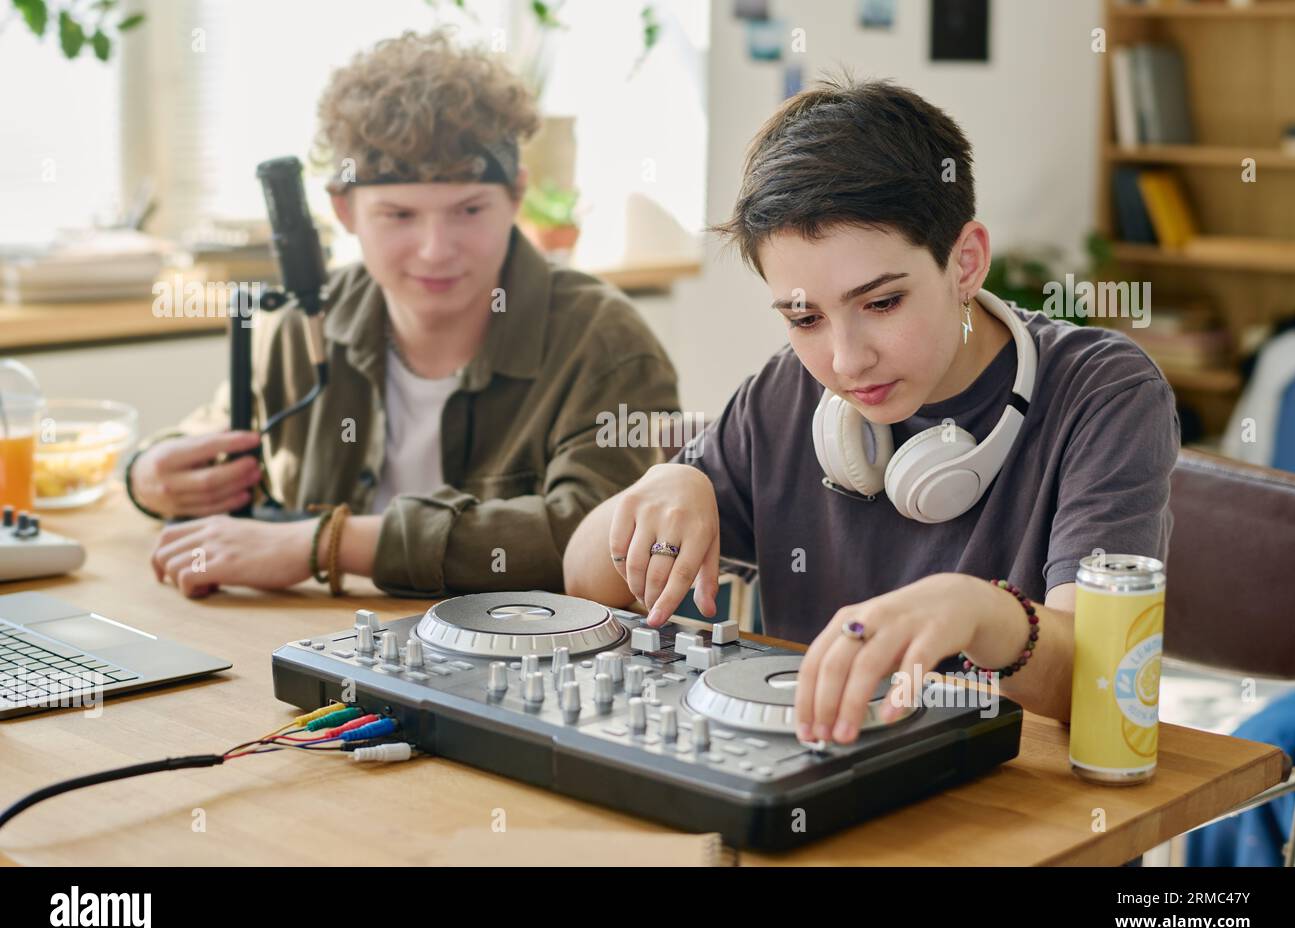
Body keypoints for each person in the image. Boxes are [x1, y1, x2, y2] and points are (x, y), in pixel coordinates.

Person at [564, 76, 1180, 744]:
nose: (846, 360)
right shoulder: (786, 391)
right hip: (822, 773)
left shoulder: (1104, 394)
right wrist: (666, 482)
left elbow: (1101, 687)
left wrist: (981, 613)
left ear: (966, 262)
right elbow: (584, 582)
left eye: (882, 303)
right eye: (804, 318)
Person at [127, 29, 679, 599]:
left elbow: (602, 540)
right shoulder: (301, 325)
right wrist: (146, 478)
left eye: (469, 210)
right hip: (312, 639)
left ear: (516, 195)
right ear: (344, 210)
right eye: (398, 215)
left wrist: (327, 544)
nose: (436, 250)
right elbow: (209, 439)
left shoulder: (604, 343)